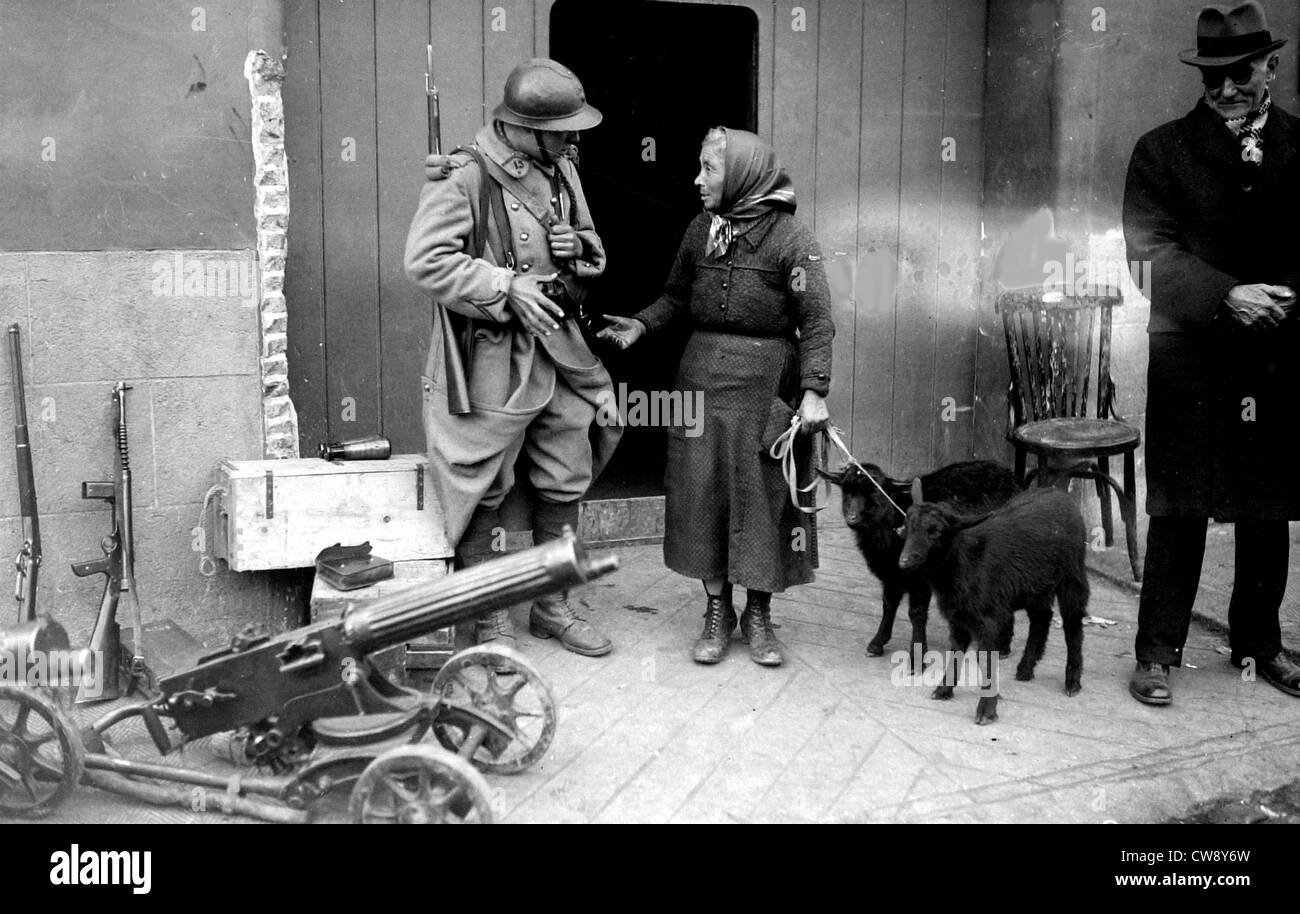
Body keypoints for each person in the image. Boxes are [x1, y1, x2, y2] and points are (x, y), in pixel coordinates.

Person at [404, 58, 621, 657]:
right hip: (492, 355)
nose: (574, 139)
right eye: (563, 129)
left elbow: (594, 245)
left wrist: (577, 248)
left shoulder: (563, 169)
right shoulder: (464, 176)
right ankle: (489, 618)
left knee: (567, 468)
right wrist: (506, 287)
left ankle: (552, 605)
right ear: (524, 127)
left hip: (560, 346)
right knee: (482, 479)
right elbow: (426, 261)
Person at [599, 127, 833, 667]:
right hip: (701, 380)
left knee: (760, 497)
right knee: (701, 492)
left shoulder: (793, 240)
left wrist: (813, 391)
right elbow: (676, 297)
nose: (697, 179)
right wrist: (641, 324)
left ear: (745, 176)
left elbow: (817, 320)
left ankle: (757, 613)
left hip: (765, 387)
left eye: (709, 169)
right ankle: (716, 609)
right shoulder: (702, 229)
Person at [1122, 2, 1300, 704]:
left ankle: (1259, 643)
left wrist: (1286, 299)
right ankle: (1157, 652)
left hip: (1276, 353)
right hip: (1190, 355)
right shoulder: (1160, 150)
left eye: (1240, 73)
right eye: (1212, 77)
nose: (1225, 89)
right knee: (1180, 502)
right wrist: (1227, 294)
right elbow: (1145, 254)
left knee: (1268, 503)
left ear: (1271, 68)